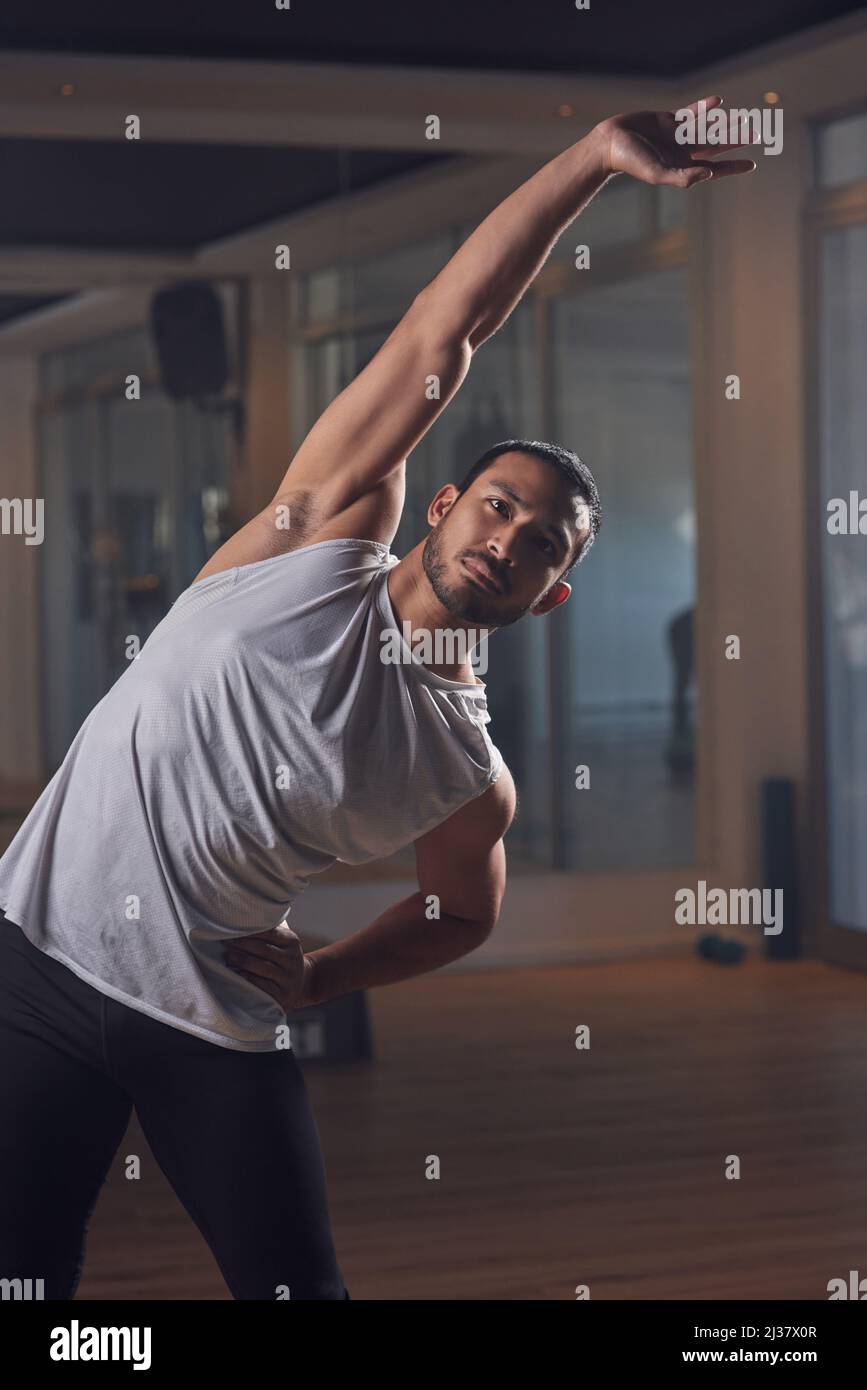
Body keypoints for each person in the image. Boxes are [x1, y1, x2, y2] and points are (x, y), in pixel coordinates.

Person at [0, 96, 756, 1302]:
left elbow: (460, 915)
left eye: (546, 545)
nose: (512, 539)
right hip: (29, 961)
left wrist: (327, 975)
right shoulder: (309, 536)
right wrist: (595, 157)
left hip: (210, 1019)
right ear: (446, 501)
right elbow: (440, 337)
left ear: (550, 597)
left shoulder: (468, 773)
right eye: (501, 506)